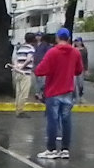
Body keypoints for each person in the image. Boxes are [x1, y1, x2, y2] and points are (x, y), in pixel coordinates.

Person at [35, 28, 86, 160]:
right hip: (68, 91)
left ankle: (51, 149)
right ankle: (65, 150)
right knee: (66, 121)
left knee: (53, 121)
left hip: (53, 91)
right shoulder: (75, 52)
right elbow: (79, 70)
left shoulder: (52, 52)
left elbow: (40, 70)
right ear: (68, 39)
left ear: (57, 38)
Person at [11, 33, 38, 116]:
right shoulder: (31, 48)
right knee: (24, 93)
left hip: (17, 72)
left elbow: (14, 59)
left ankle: (18, 109)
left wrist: (17, 67)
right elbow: (29, 59)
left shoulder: (20, 48)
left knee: (18, 92)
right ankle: (21, 111)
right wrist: (22, 67)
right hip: (25, 73)